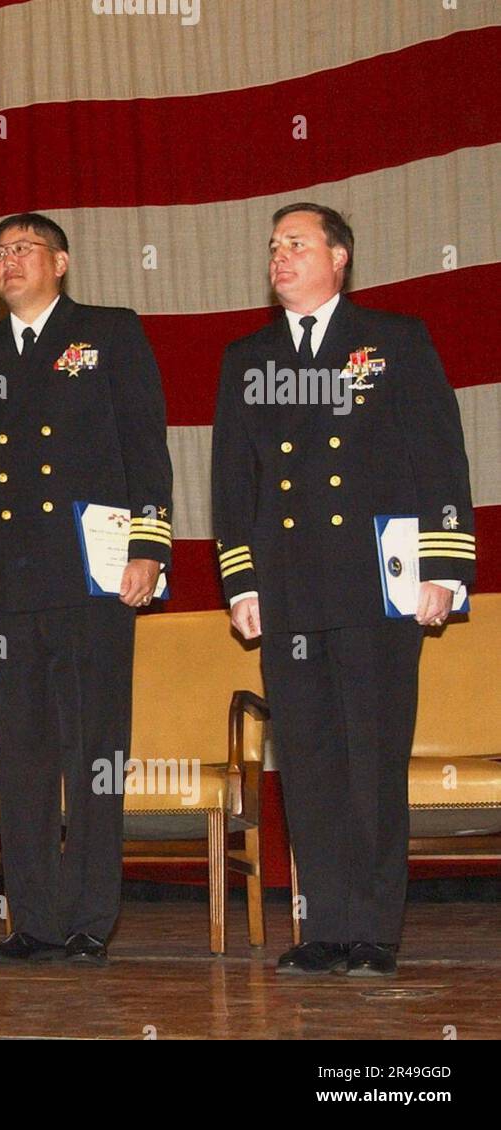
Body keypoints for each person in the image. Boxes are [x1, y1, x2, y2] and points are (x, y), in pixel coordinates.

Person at [211, 203, 475, 977]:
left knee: (371, 755)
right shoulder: (247, 357)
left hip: (375, 584)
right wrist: (241, 580)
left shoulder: (393, 340)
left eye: (296, 243)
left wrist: (445, 566)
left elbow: (440, 458)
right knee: (312, 761)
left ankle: (374, 929)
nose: (279, 256)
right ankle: (323, 926)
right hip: (289, 588)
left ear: (339, 258)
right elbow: (234, 481)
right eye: (273, 246)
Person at [0, 213, 172, 964]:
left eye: (25, 250)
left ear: (61, 262)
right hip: (9, 580)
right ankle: (33, 919)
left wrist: (149, 546)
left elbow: (146, 446)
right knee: (25, 752)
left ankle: (89, 918)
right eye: (1, 252)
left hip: (93, 577)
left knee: (93, 748)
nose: (10, 262)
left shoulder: (108, 331)